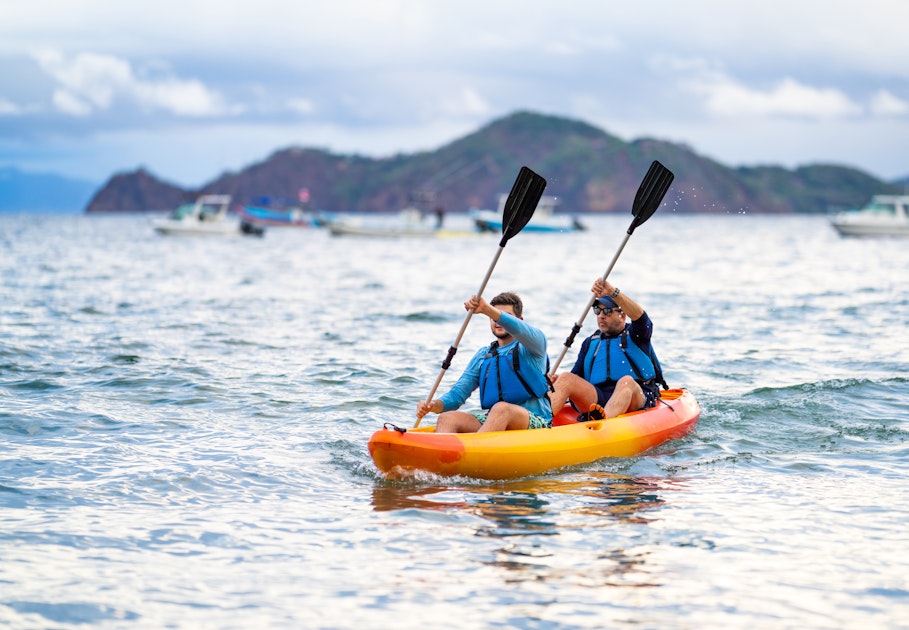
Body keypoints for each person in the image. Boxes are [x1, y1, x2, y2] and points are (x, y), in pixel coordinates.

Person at [416, 291, 553, 433]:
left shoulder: (533, 346)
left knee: (501, 409)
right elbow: (457, 395)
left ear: (520, 319)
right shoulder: (483, 355)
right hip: (494, 420)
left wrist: (487, 310)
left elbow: (521, 330)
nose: (497, 322)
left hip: (536, 421)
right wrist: (432, 405)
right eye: (493, 317)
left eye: (505, 316)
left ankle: (475, 451)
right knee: (447, 418)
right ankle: (443, 453)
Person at [548, 278, 664, 420]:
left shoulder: (637, 335)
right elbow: (577, 377)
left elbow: (641, 318)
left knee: (625, 381)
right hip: (599, 397)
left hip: (636, 395)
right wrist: (557, 381)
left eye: (607, 311)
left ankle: (603, 424)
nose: (601, 316)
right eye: (598, 310)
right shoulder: (590, 343)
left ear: (622, 316)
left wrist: (611, 291)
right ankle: (538, 421)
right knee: (566, 378)